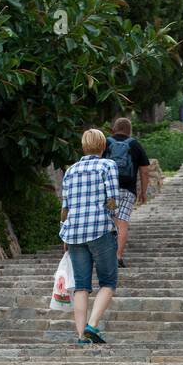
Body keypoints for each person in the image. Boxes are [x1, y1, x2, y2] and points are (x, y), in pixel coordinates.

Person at [60, 128, 120, 346]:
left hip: (74, 232)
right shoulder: (107, 165)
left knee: (81, 286)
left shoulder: (71, 170)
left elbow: (65, 207)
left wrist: (63, 233)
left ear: (83, 146)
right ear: (103, 146)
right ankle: (92, 326)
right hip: (99, 228)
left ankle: (80, 336)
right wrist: (112, 217)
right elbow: (112, 198)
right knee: (108, 281)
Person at [105, 116, 150, 268]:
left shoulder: (105, 143)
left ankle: (102, 257)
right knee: (122, 222)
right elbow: (145, 171)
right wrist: (143, 192)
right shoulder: (135, 145)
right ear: (129, 131)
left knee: (107, 221)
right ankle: (117, 257)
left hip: (107, 189)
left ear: (114, 129)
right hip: (128, 190)